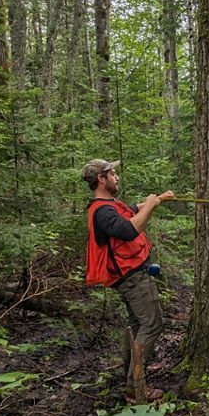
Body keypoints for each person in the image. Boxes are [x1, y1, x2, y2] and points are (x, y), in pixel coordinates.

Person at [82, 158, 175, 402]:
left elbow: (130, 210)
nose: (117, 177)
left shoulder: (108, 205)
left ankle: (130, 377)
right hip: (131, 277)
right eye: (113, 174)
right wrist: (151, 205)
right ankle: (136, 387)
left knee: (137, 326)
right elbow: (128, 229)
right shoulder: (101, 211)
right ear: (101, 179)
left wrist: (157, 200)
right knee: (152, 324)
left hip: (132, 274)